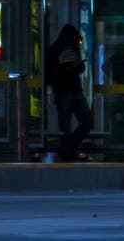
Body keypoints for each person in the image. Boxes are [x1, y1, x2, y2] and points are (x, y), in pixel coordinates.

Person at [46, 24, 91, 162]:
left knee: (75, 124)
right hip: (67, 91)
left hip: (67, 91)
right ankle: (68, 150)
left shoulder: (58, 50)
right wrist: (73, 66)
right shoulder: (54, 51)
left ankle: (67, 148)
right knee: (80, 123)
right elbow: (52, 73)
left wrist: (76, 66)